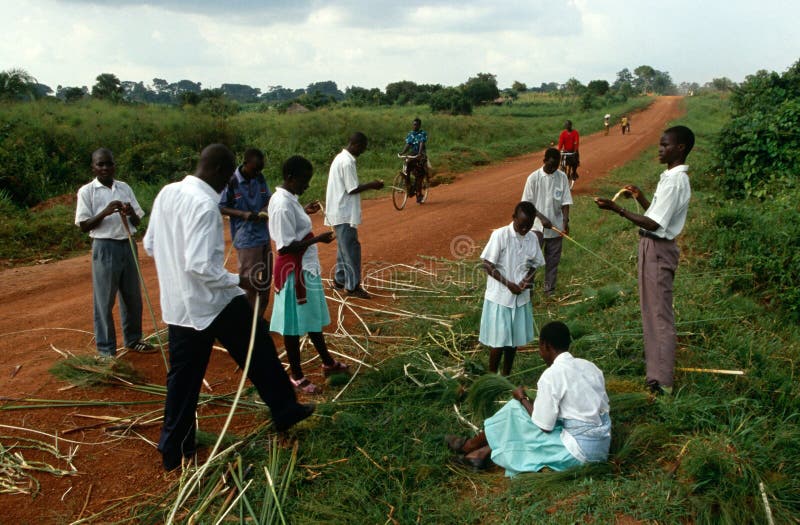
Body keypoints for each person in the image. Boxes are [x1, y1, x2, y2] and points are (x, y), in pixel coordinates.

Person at [143, 144, 314, 471]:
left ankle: (173, 448)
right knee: (258, 346)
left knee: (183, 378)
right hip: (213, 301)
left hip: (179, 305)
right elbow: (200, 267)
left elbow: (151, 245)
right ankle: (284, 409)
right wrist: (241, 280)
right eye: (228, 176)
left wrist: (175, 268)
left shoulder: (167, 192)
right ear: (222, 170)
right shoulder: (206, 205)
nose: (229, 184)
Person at [594, 125, 695, 395]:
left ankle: (662, 383)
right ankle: (655, 370)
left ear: (681, 148)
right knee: (651, 311)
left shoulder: (676, 181)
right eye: (660, 145)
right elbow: (658, 215)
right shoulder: (670, 177)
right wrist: (641, 198)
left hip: (659, 249)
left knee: (659, 315)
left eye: (666, 145)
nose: (660, 149)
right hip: (652, 245)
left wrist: (617, 208)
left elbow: (654, 222)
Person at [446, 321, 611, 476]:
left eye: (540, 347)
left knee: (515, 410)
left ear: (545, 346)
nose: (540, 353)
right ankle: (479, 454)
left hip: (579, 454)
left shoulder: (552, 375)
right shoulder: (590, 367)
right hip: (602, 448)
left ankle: (470, 445)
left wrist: (523, 398)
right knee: (521, 415)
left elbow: (544, 426)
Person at [269, 156, 350, 394]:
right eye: (304, 181)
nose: (306, 186)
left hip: (305, 268)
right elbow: (284, 247)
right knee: (293, 327)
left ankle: (327, 362)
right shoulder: (282, 204)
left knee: (312, 318)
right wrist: (318, 239)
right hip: (295, 272)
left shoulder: (289, 200)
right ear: (291, 177)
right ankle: (296, 375)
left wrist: (304, 211)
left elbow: (292, 227)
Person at [75, 148, 154, 358]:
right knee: (104, 301)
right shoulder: (87, 191)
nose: (105, 168)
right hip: (104, 247)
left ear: (114, 165)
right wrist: (106, 211)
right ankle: (106, 351)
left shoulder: (124, 187)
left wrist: (130, 213)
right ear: (93, 167)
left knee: (132, 297)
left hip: (127, 244)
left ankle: (134, 339)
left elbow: (138, 220)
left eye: (108, 164)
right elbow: (83, 225)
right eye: (100, 164)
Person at [479, 201, 545, 376]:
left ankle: (506, 375)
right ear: (514, 218)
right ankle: (492, 377)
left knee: (513, 342)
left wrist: (527, 281)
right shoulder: (500, 235)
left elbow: (535, 264)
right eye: (522, 225)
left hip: (520, 298)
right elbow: (487, 264)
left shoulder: (532, 238)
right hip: (500, 298)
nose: (525, 229)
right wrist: (509, 284)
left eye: (529, 226)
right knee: (499, 342)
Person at [324, 132, 384, 299]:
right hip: (343, 212)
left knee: (344, 247)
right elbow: (352, 188)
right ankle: (353, 286)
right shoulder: (347, 162)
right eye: (363, 147)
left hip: (338, 210)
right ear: (357, 145)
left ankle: (340, 279)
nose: (363, 151)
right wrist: (373, 185)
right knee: (351, 248)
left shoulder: (340, 158)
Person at [219, 148, 272, 318]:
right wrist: (243, 214)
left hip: (263, 235)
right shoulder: (231, 181)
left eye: (259, 170)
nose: (257, 173)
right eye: (255, 169)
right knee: (249, 282)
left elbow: (268, 199)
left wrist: (264, 210)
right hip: (246, 239)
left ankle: (259, 319)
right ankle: (246, 321)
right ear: (246, 163)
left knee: (266, 280)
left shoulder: (259, 177)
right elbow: (220, 206)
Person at [521, 148, 573, 297]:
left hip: (556, 227)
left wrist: (565, 221)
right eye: (550, 165)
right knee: (531, 261)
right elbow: (527, 204)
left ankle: (549, 291)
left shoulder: (562, 177)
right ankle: (527, 291)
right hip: (536, 227)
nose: (553, 169)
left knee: (553, 261)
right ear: (544, 161)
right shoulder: (533, 178)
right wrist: (541, 217)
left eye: (556, 166)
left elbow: (565, 201)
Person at [398, 117, 428, 204]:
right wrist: (402, 152)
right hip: (413, 153)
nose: (414, 126)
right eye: (413, 124)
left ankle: (419, 195)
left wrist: (419, 153)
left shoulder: (423, 133)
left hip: (421, 154)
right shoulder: (410, 134)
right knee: (407, 166)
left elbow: (422, 143)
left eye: (416, 125)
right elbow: (408, 144)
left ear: (419, 125)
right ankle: (409, 187)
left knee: (419, 175)